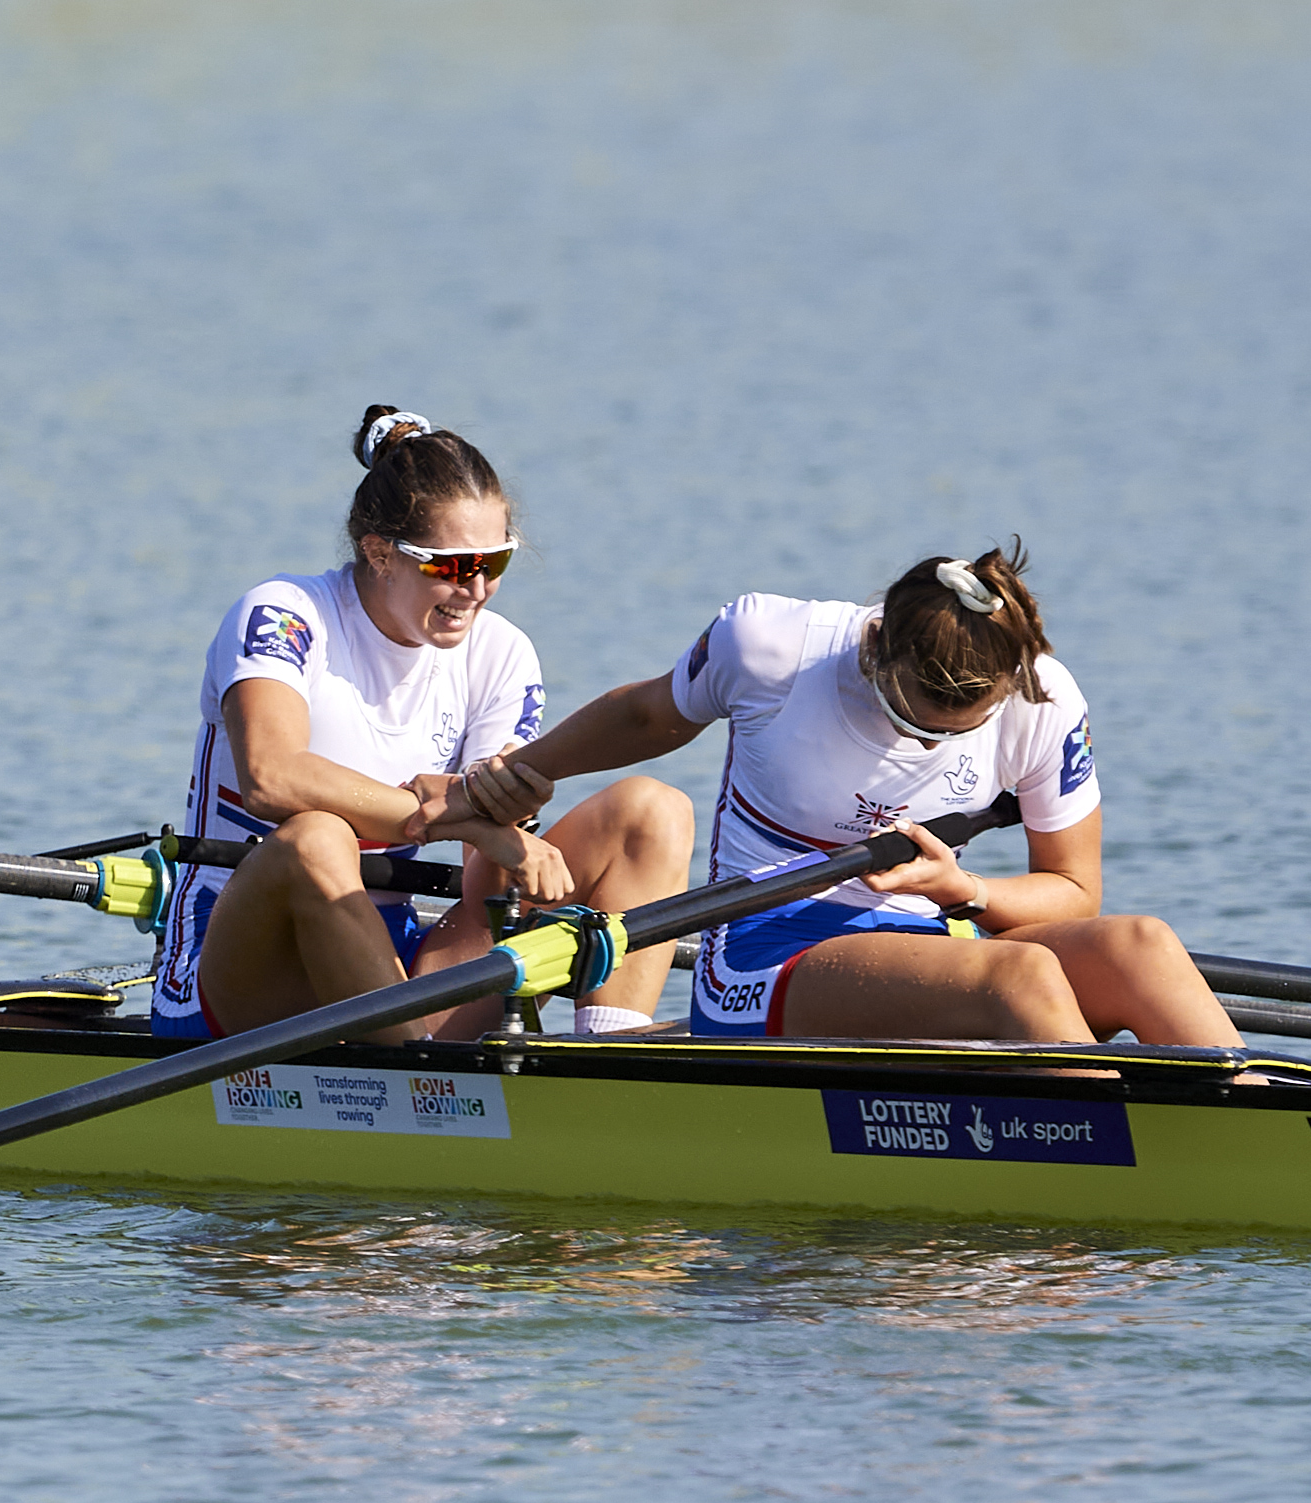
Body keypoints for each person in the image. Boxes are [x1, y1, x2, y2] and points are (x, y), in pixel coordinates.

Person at [435, 541, 1239, 1044]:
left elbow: (1074, 890)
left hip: (932, 948)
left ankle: (1246, 1133)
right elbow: (650, 714)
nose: (930, 745)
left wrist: (966, 888)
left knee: (1144, 947)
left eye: (959, 731)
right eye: (915, 722)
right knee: (1022, 979)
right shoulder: (774, 648)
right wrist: (523, 774)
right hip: (763, 954)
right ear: (876, 649)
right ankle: (1104, 1192)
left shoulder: (1045, 698)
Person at [148, 405, 692, 1043]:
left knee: (652, 811)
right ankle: (422, 1084)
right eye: (452, 566)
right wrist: (454, 811)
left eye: (495, 563)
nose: (477, 588)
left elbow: (487, 879)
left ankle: (609, 1061)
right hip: (240, 965)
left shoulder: (501, 654)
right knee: (316, 839)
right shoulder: (286, 617)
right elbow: (271, 779)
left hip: (395, 960)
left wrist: (499, 824)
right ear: (379, 554)